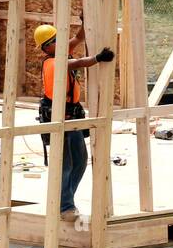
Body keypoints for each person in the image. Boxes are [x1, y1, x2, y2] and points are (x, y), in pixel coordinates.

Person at [34, 23, 114, 221]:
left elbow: (78, 38)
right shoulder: (52, 63)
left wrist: (85, 22)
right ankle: (64, 207)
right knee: (66, 164)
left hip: (72, 115)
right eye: (54, 42)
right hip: (58, 117)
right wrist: (97, 58)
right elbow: (77, 63)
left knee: (79, 161)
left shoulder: (60, 52)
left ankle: (66, 201)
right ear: (46, 48)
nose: (59, 43)